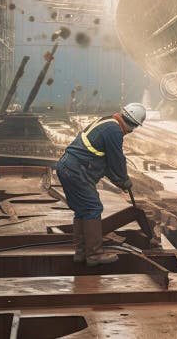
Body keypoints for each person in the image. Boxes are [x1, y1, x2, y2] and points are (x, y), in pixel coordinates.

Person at [55, 102, 147, 266]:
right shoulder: (114, 131)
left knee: (82, 210)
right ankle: (94, 254)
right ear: (133, 125)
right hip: (76, 170)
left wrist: (121, 182)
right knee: (92, 208)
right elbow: (116, 160)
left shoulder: (108, 122)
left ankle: (81, 252)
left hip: (68, 167)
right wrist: (124, 179)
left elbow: (106, 164)